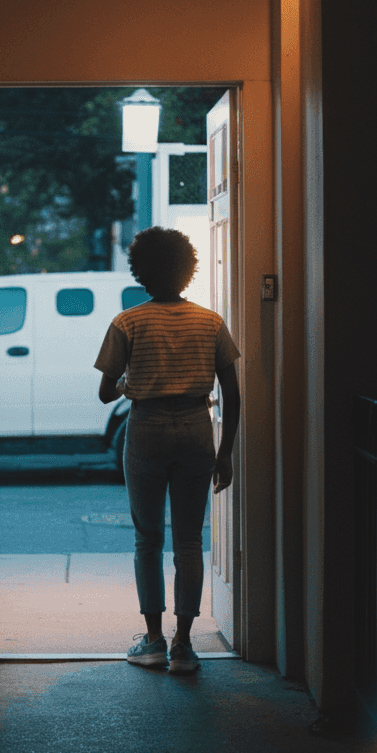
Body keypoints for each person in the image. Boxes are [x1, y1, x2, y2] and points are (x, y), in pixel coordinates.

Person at [94, 226, 241, 673]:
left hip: (147, 429)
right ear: (188, 269)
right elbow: (232, 393)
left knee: (148, 538)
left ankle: (153, 640)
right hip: (197, 427)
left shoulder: (128, 323)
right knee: (189, 539)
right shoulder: (211, 321)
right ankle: (183, 646)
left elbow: (105, 392)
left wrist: (129, 382)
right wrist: (226, 451)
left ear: (141, 271)